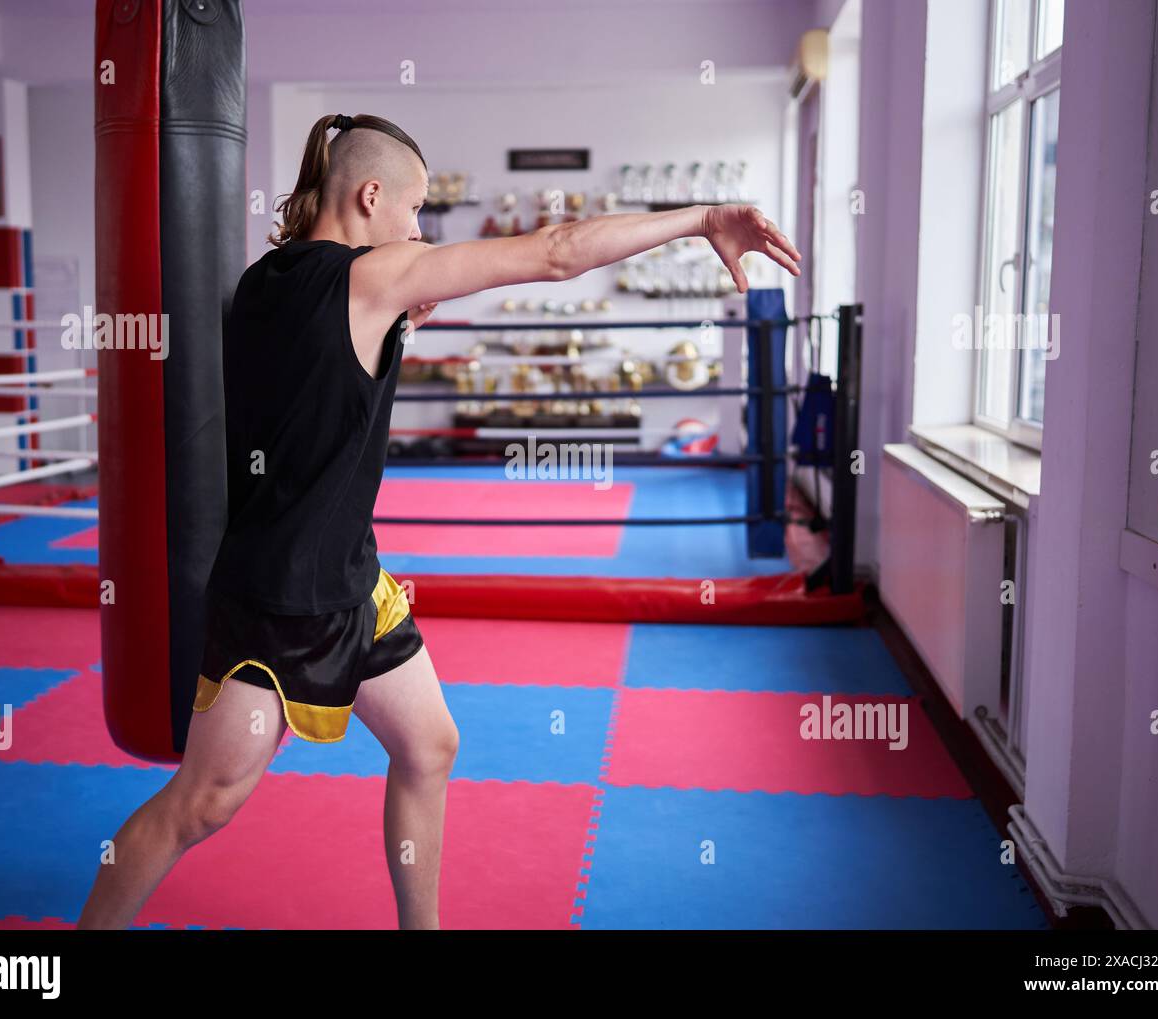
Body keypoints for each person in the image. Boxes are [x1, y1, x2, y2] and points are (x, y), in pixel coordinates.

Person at [76, 112, 800, 931]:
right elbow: (557, 253)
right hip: (281, 605)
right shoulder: (373, 279)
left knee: (431, 746)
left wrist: (389, 318)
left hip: (350, 579)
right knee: (198, 806)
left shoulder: (267, 280)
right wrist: (704, 219)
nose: (418, 232)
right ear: (370, 194)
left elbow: (312, 387)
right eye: (415, 211)